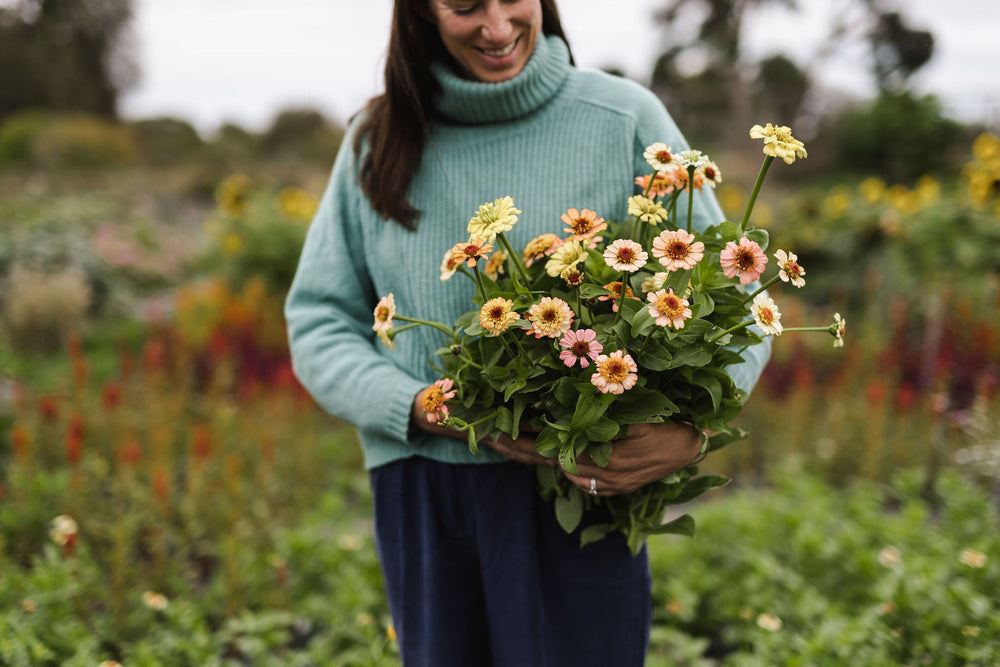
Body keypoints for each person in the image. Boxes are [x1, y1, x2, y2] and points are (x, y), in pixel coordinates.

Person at [284, 0, 771, 664]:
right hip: (429, 492)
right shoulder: (380, 140)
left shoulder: (623, 118)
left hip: (582, 487)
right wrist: (421, 407)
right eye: (463, 5)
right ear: (422, 12)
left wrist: (689, 431)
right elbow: (318, 318)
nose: (496, 26)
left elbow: (743, 295)